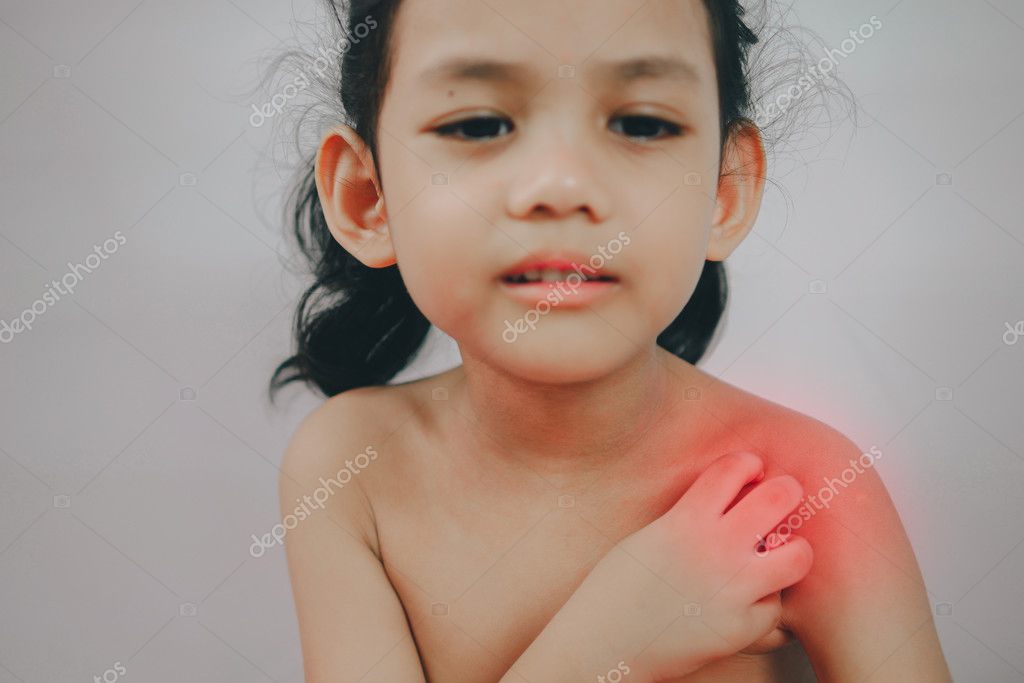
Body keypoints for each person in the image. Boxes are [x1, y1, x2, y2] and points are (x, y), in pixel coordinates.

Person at [269, 0, 953, 680]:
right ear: (367, 198)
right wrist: (606, 646)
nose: (563, 185)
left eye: (642, 123)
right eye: (478, 123)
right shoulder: (348, 471)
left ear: (725, 188)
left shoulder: (807, 486)